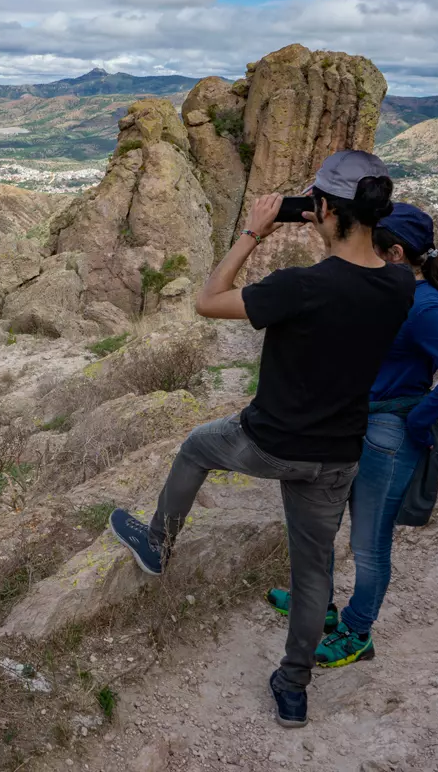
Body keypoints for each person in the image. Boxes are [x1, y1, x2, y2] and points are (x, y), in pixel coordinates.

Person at [109, 150, 415, 729]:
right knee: (313, 571)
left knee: (197, 446)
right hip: (338, 454)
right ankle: (294, 686)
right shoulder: (399, 283)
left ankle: (158, 543)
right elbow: (370, 259)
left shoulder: (300, 286)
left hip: (271, 441)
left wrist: (253, 231)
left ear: (322, 209)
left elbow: (209, 300)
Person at [265, 203, 438, 667]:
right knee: (322, 522)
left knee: (368, 541)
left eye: (372, 246)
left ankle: (358, 632)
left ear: (397, 253)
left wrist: (418, 420)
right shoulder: (389, 289)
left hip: (389, 428)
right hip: (355, 419)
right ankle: (318, 608)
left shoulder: (422, 304)